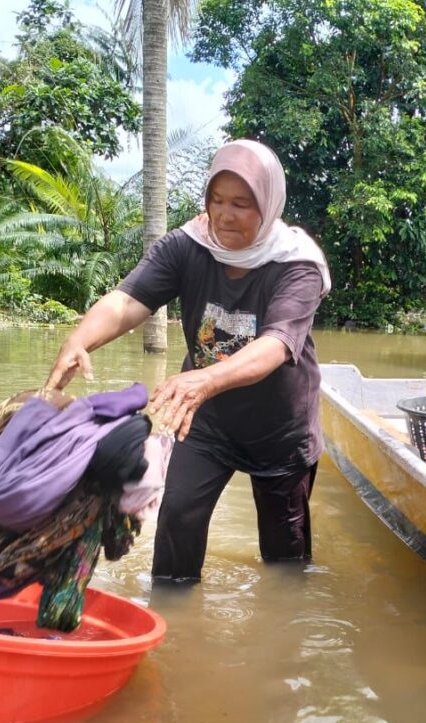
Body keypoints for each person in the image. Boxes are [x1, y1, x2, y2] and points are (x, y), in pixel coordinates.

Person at [44, 139, 331, 584]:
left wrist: (203, 379)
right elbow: (127, 301)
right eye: (216, 201)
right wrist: (79, 339)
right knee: (177, 520)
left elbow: (276, 345)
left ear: (270, 205)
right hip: (206, 420)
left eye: (241, 203)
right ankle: (171, 625)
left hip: (280, 430)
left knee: (284, 559)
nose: (224, 215)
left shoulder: (297, 264)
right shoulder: (189, 246)